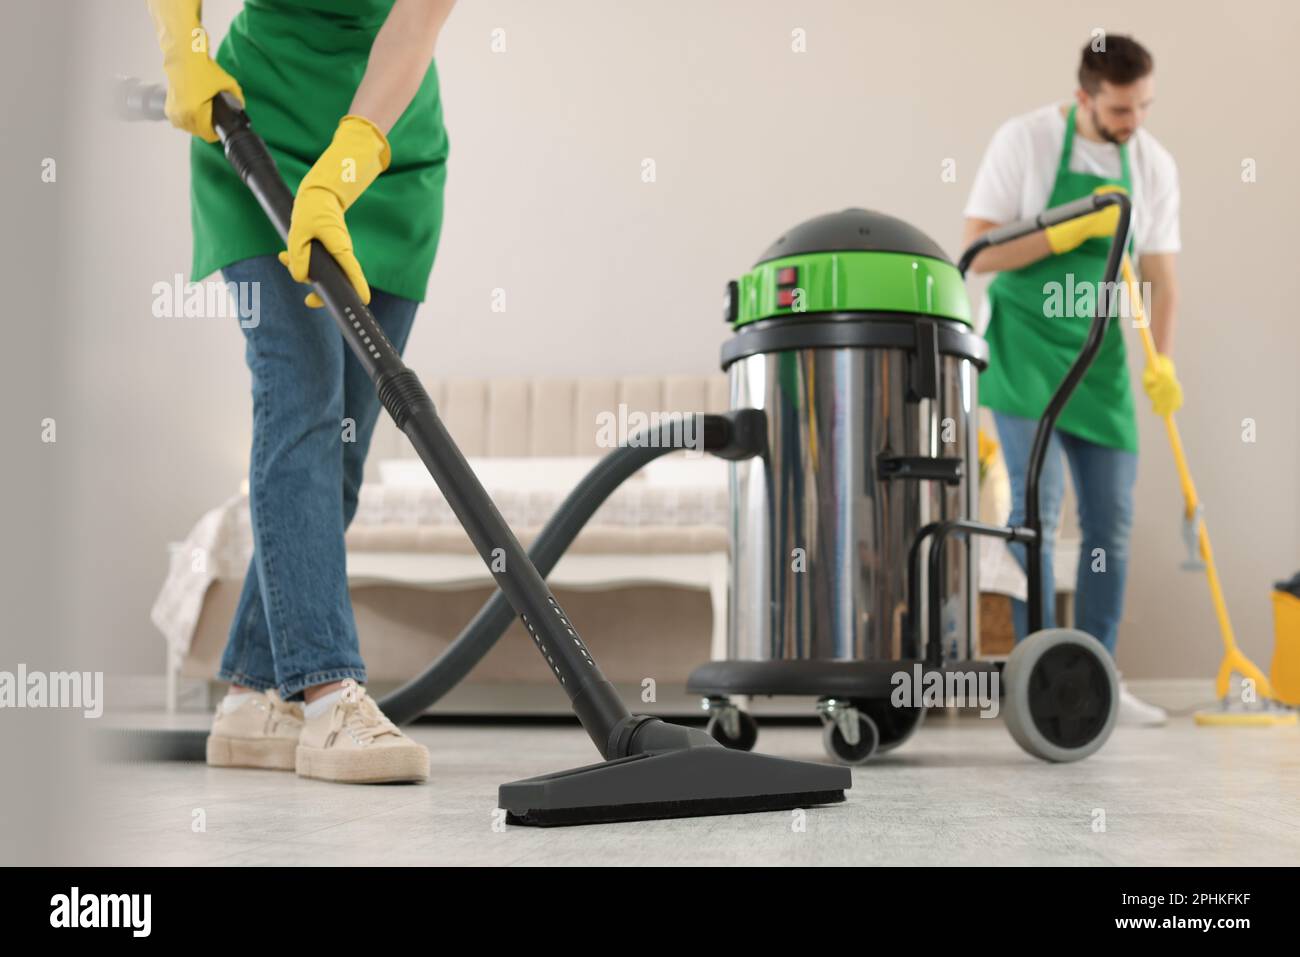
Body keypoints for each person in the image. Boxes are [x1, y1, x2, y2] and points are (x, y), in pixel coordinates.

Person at [148, 0, 458, 780]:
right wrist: (182, 44)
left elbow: (417, 20)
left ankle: (254, 696)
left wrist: (343, 172)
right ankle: (328, 696)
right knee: (303, 406)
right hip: (260, 134)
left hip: (387, 152)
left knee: (342, 454)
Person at [963, 34, 1181, 726]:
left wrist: (1162, 361)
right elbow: (978, 248)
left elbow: (1160, 276)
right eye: (1121, 108)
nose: (1134, 121)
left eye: (1144, 105)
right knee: (1034, 515)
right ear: (1085, 96)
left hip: (1102, 360)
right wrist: (1062, 231)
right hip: (1026, 354)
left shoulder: (1151, 164)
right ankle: (1036, 680)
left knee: (1110, 525)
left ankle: (1098, 680)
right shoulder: (1024, 141)